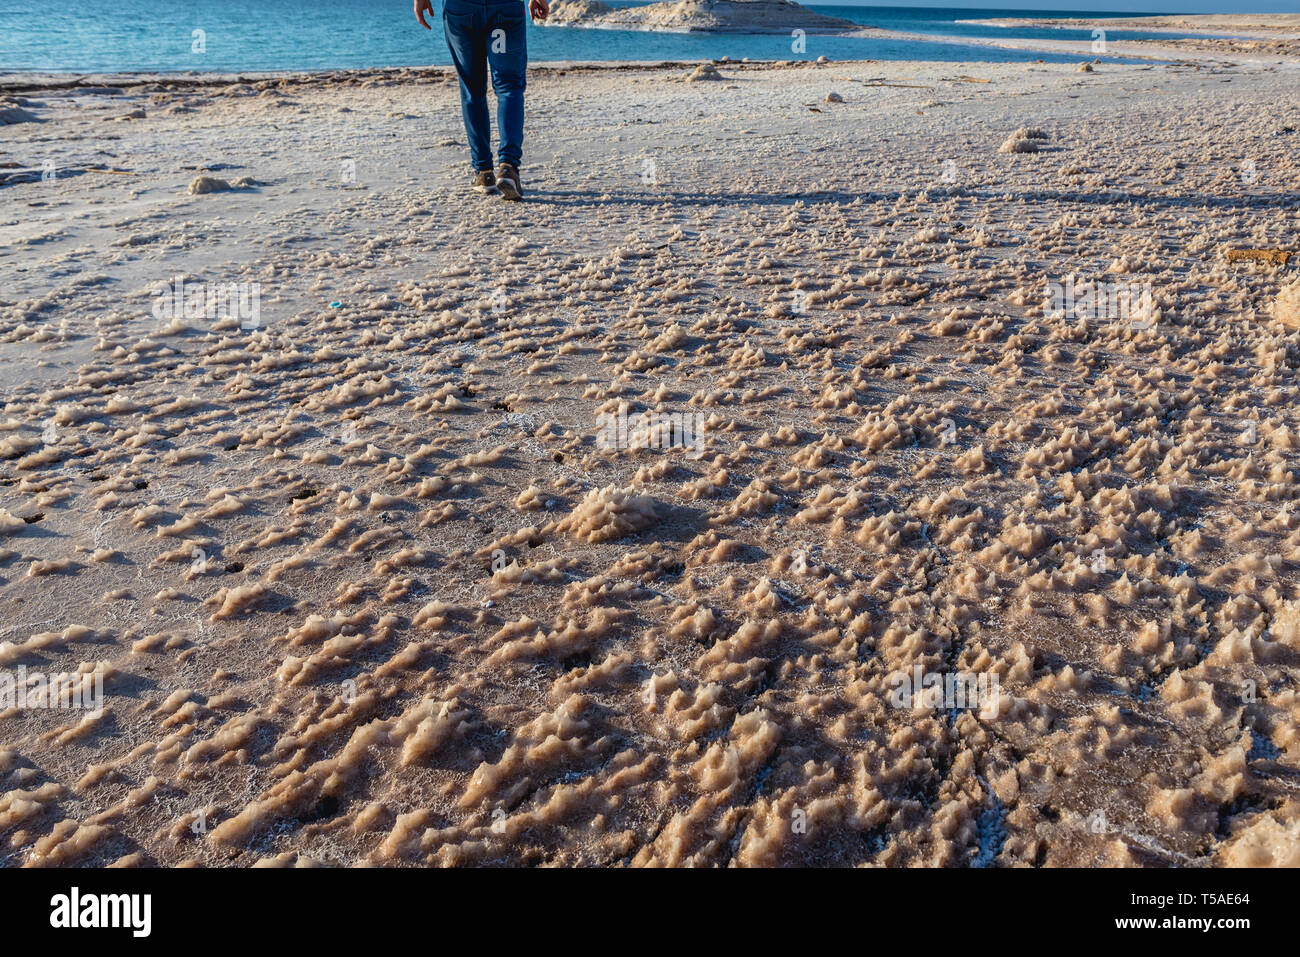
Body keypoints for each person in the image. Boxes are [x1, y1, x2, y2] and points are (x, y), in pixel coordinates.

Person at [416, 0, 550, 200]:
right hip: (505, 7)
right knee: (509, 87)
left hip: (461, 8)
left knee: (472, 89)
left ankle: (484, 172)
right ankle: (508, 167)